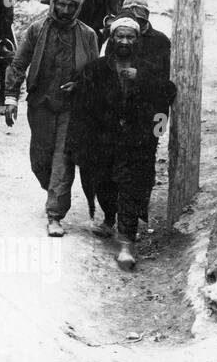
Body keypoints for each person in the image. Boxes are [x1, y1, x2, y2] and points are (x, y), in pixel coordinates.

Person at [67, 17, 177, 270]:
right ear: (112, 39)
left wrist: (156, 134)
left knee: (130, 186)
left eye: (130, 37)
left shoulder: (149, 69)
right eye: (120, 36)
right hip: (103, 141)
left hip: (137, 141)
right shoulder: (96, 69)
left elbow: (167, 95)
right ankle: (108, 218)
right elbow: (83, 106)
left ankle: (126, 241)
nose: (125, 41)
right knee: (104, 183)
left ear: (137, 40)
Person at [3, 0, 99, 237]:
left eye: (71, 6)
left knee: (62, 160)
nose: (65, 10)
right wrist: (11, 97)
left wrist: (80, 85)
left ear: (78, 7)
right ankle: (54, 189)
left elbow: (95, 73)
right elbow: (18, 63)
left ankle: (55, 213)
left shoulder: (88, 35)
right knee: (40, 160)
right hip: (41, 105)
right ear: (53, 2)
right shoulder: (36, 30)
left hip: (72, 108)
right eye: (61, 4)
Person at [100, 0, 170, 74]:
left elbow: (165, 72)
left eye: (139, 20)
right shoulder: (116, 39)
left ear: (147, 15)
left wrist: (140, 74)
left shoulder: (160, 40)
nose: (134, 22)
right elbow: (108, 65)